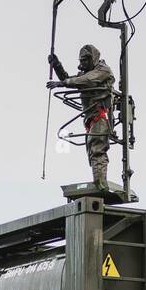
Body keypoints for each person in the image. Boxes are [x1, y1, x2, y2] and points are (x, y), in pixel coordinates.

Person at [48, 44, 116, 188]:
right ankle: (98, 182)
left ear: (93, 58)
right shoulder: (84, 74)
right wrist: (56, 65)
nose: (83, 63)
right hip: (91, 119)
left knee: (97, 150)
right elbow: (70, 79)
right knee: (92, 151)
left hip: (100, 117)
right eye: (81, 60)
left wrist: (63, 83)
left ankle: (100, 185)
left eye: (85, 60)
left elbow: (87, 80)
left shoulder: (103, 71)